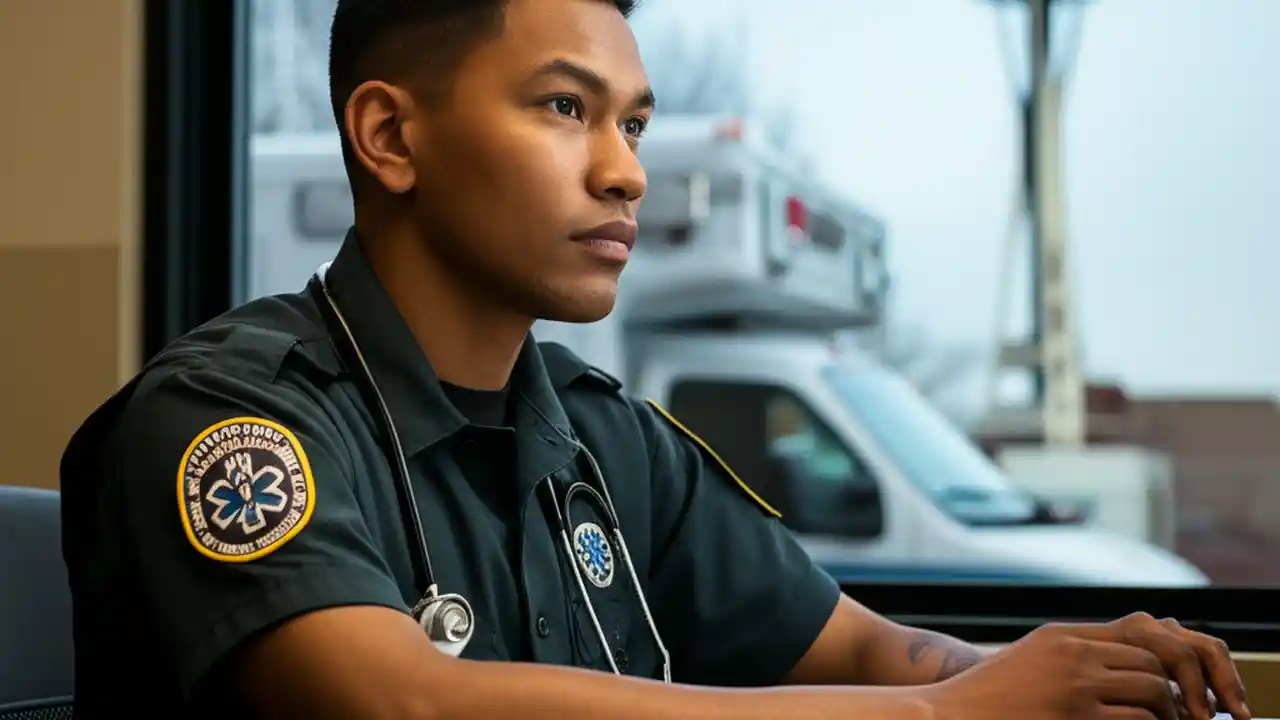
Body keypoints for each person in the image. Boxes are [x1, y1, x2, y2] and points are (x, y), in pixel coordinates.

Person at [58, 0, 1252, 718]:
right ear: (389, 135)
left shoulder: (599, 437)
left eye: (629, 121)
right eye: (564, 110)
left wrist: (1061, 675)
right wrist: (945, 713)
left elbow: (865, 648)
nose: (625, 170)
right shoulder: (228, 416)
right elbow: (399, 699)